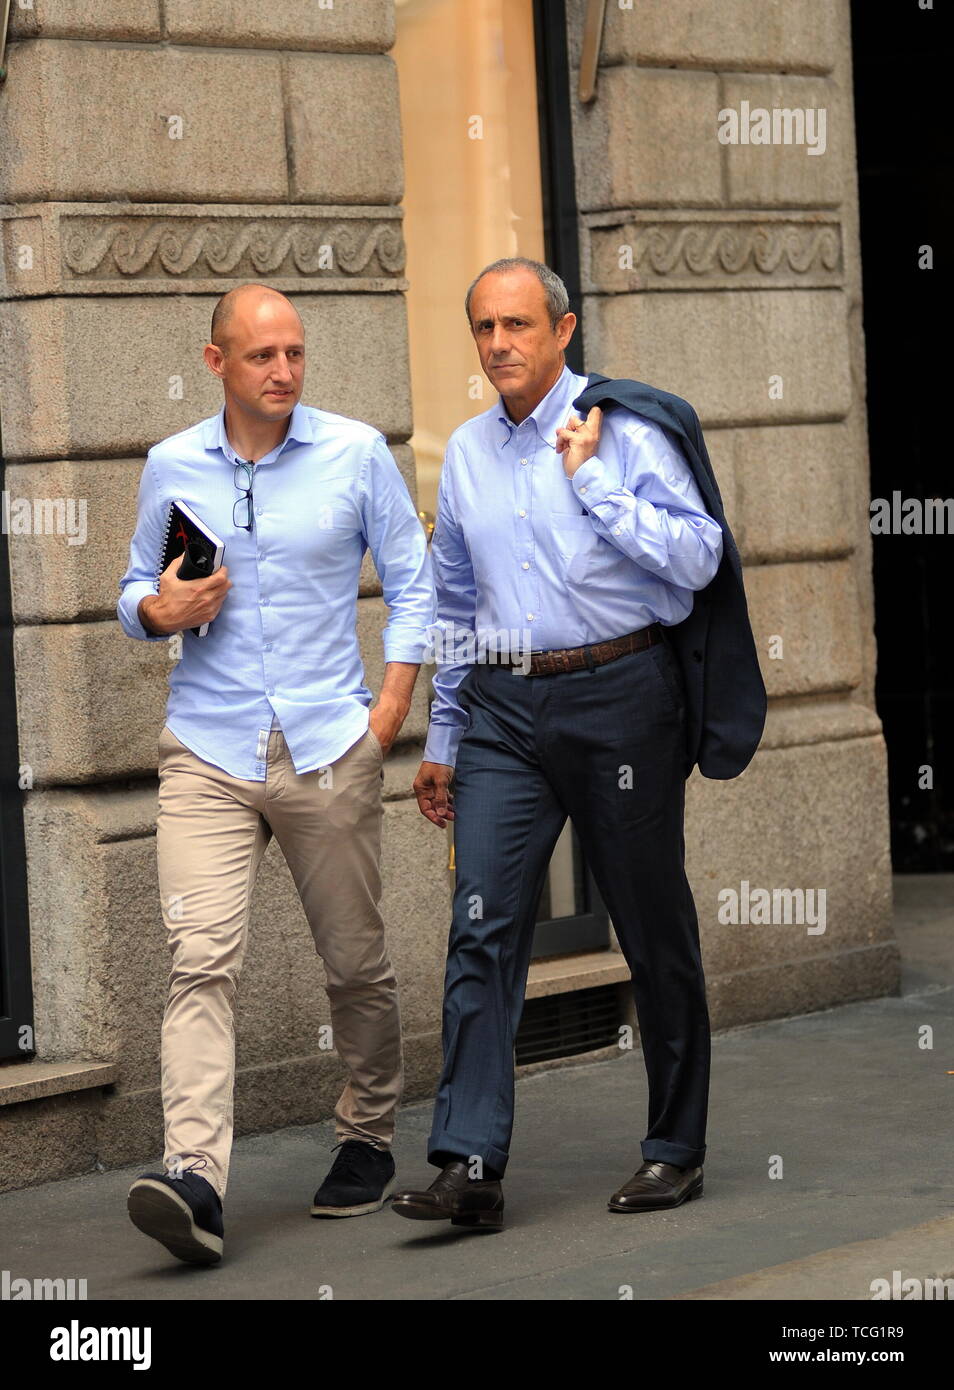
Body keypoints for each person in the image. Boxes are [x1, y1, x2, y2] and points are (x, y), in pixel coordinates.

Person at [393, 257, 763, 1230]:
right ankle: (469, 1162)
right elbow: (459, 602)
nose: (499, 344)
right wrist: (446, 733)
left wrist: (593, 483)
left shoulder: (625, 429)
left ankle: (675, 1148)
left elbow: (698, 558)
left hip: (621, 695)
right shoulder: (468, 452)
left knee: (650, 926)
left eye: (517, 325)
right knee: (481, 922)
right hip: (507, 715)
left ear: (563, 331)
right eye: (483, 328)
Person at [118, 283, 434, 1264]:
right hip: (207, 752)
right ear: (217, 363)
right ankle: (196, 1181)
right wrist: (153, 612)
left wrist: (385, 716)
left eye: (295, 352)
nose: (285, 371)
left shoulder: (352, 454)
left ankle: (367, 1133)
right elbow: (135, 586)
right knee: (199, 962)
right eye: (263, 356)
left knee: (356, 965)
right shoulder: (173, 464)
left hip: (327, 748)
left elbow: (415, 579)